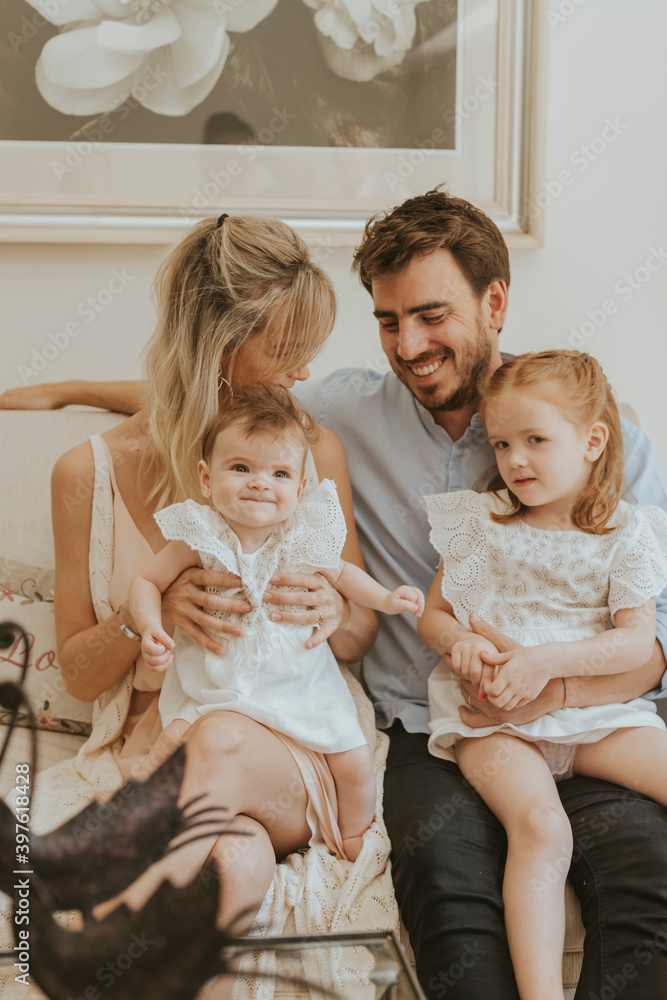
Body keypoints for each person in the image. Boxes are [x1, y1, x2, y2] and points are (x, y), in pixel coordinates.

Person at [3, 190, 667, 999]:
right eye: (388, 322)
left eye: (429, 315)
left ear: (494, 302)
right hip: (397, 728)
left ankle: (80, 871)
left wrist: (534, 681)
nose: (407, 345)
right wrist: (51, 389)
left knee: (644, 882)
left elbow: (650, 641)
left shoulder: (600, 443)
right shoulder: (318, 418)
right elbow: (193, 400)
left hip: (556, 719)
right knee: (358, 881)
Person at [0, 213, 403, 1000]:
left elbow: (355, 631)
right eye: (286, 351)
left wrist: (331, 605)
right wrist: (148, 612)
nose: (303, 369)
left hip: (299, 750)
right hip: (159, 748)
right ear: (221, 345)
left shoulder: (307, 454)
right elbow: (82, 676)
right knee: (227, 876)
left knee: (218, 738)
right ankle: (92, 966)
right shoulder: (88, 473)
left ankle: (83, 867)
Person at [418, 350, 667, 1000]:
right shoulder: (482, 522)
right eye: (501, 443)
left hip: (592, 717)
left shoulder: (625, 533)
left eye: (535, 440)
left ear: (591, 441)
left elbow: (635, 640)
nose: (515, 460)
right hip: (493, 721)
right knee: (541, 828)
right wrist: (458, 644)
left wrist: (545, 664)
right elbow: (434, 614)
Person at [130, 384, 423, 862]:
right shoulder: (201, 536)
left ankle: (351, 838)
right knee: (169, 748)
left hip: (300, 687)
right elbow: (146, 581)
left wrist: (389, 599)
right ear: (206, 478)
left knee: (351, 760)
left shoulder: (304, 538)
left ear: (301, 487)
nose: (260, 482)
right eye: (241, 468)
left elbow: (347, 577)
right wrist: (149, 627)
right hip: (219, 689)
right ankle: (145, 827)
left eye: (280, 473)